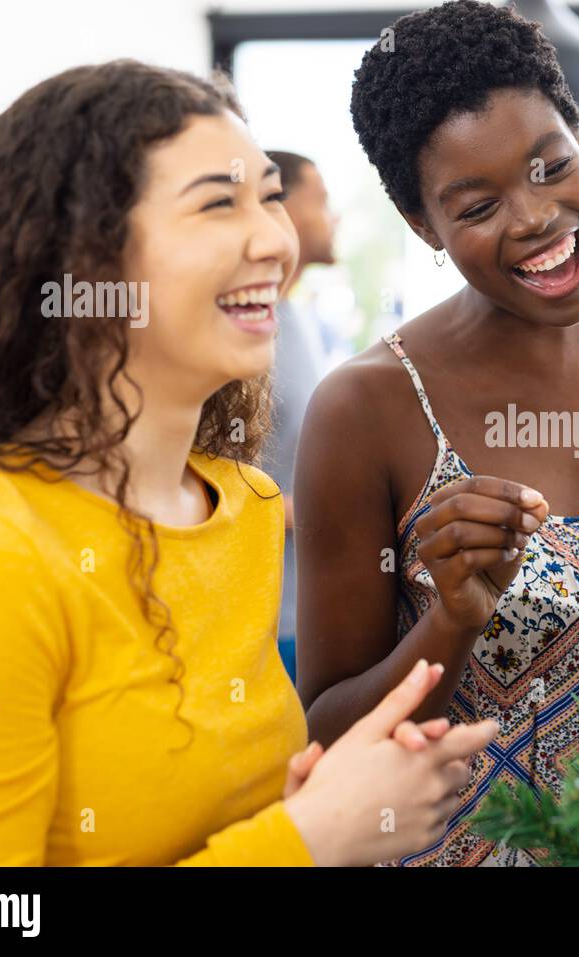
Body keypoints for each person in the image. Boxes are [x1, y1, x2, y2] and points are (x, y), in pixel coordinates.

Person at [0, 59, 496, 866]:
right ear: (83, 262)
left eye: (271, 196)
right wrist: (307, 839)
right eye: (218, 203)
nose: (273, 241)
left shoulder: (239, 506)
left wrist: (327, 800)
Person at [295, 0, 579, 867]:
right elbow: (326, 736)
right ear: (423, 226)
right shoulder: (369, 407)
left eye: (551, 166)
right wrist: (451, 623)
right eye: (477, 207)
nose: (535, 216)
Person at [261, 150, 341, 681]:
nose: (333, 218)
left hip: (306, 617)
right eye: (323, 201)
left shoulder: (298, 318)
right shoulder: (245, 333)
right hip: (265, 624)